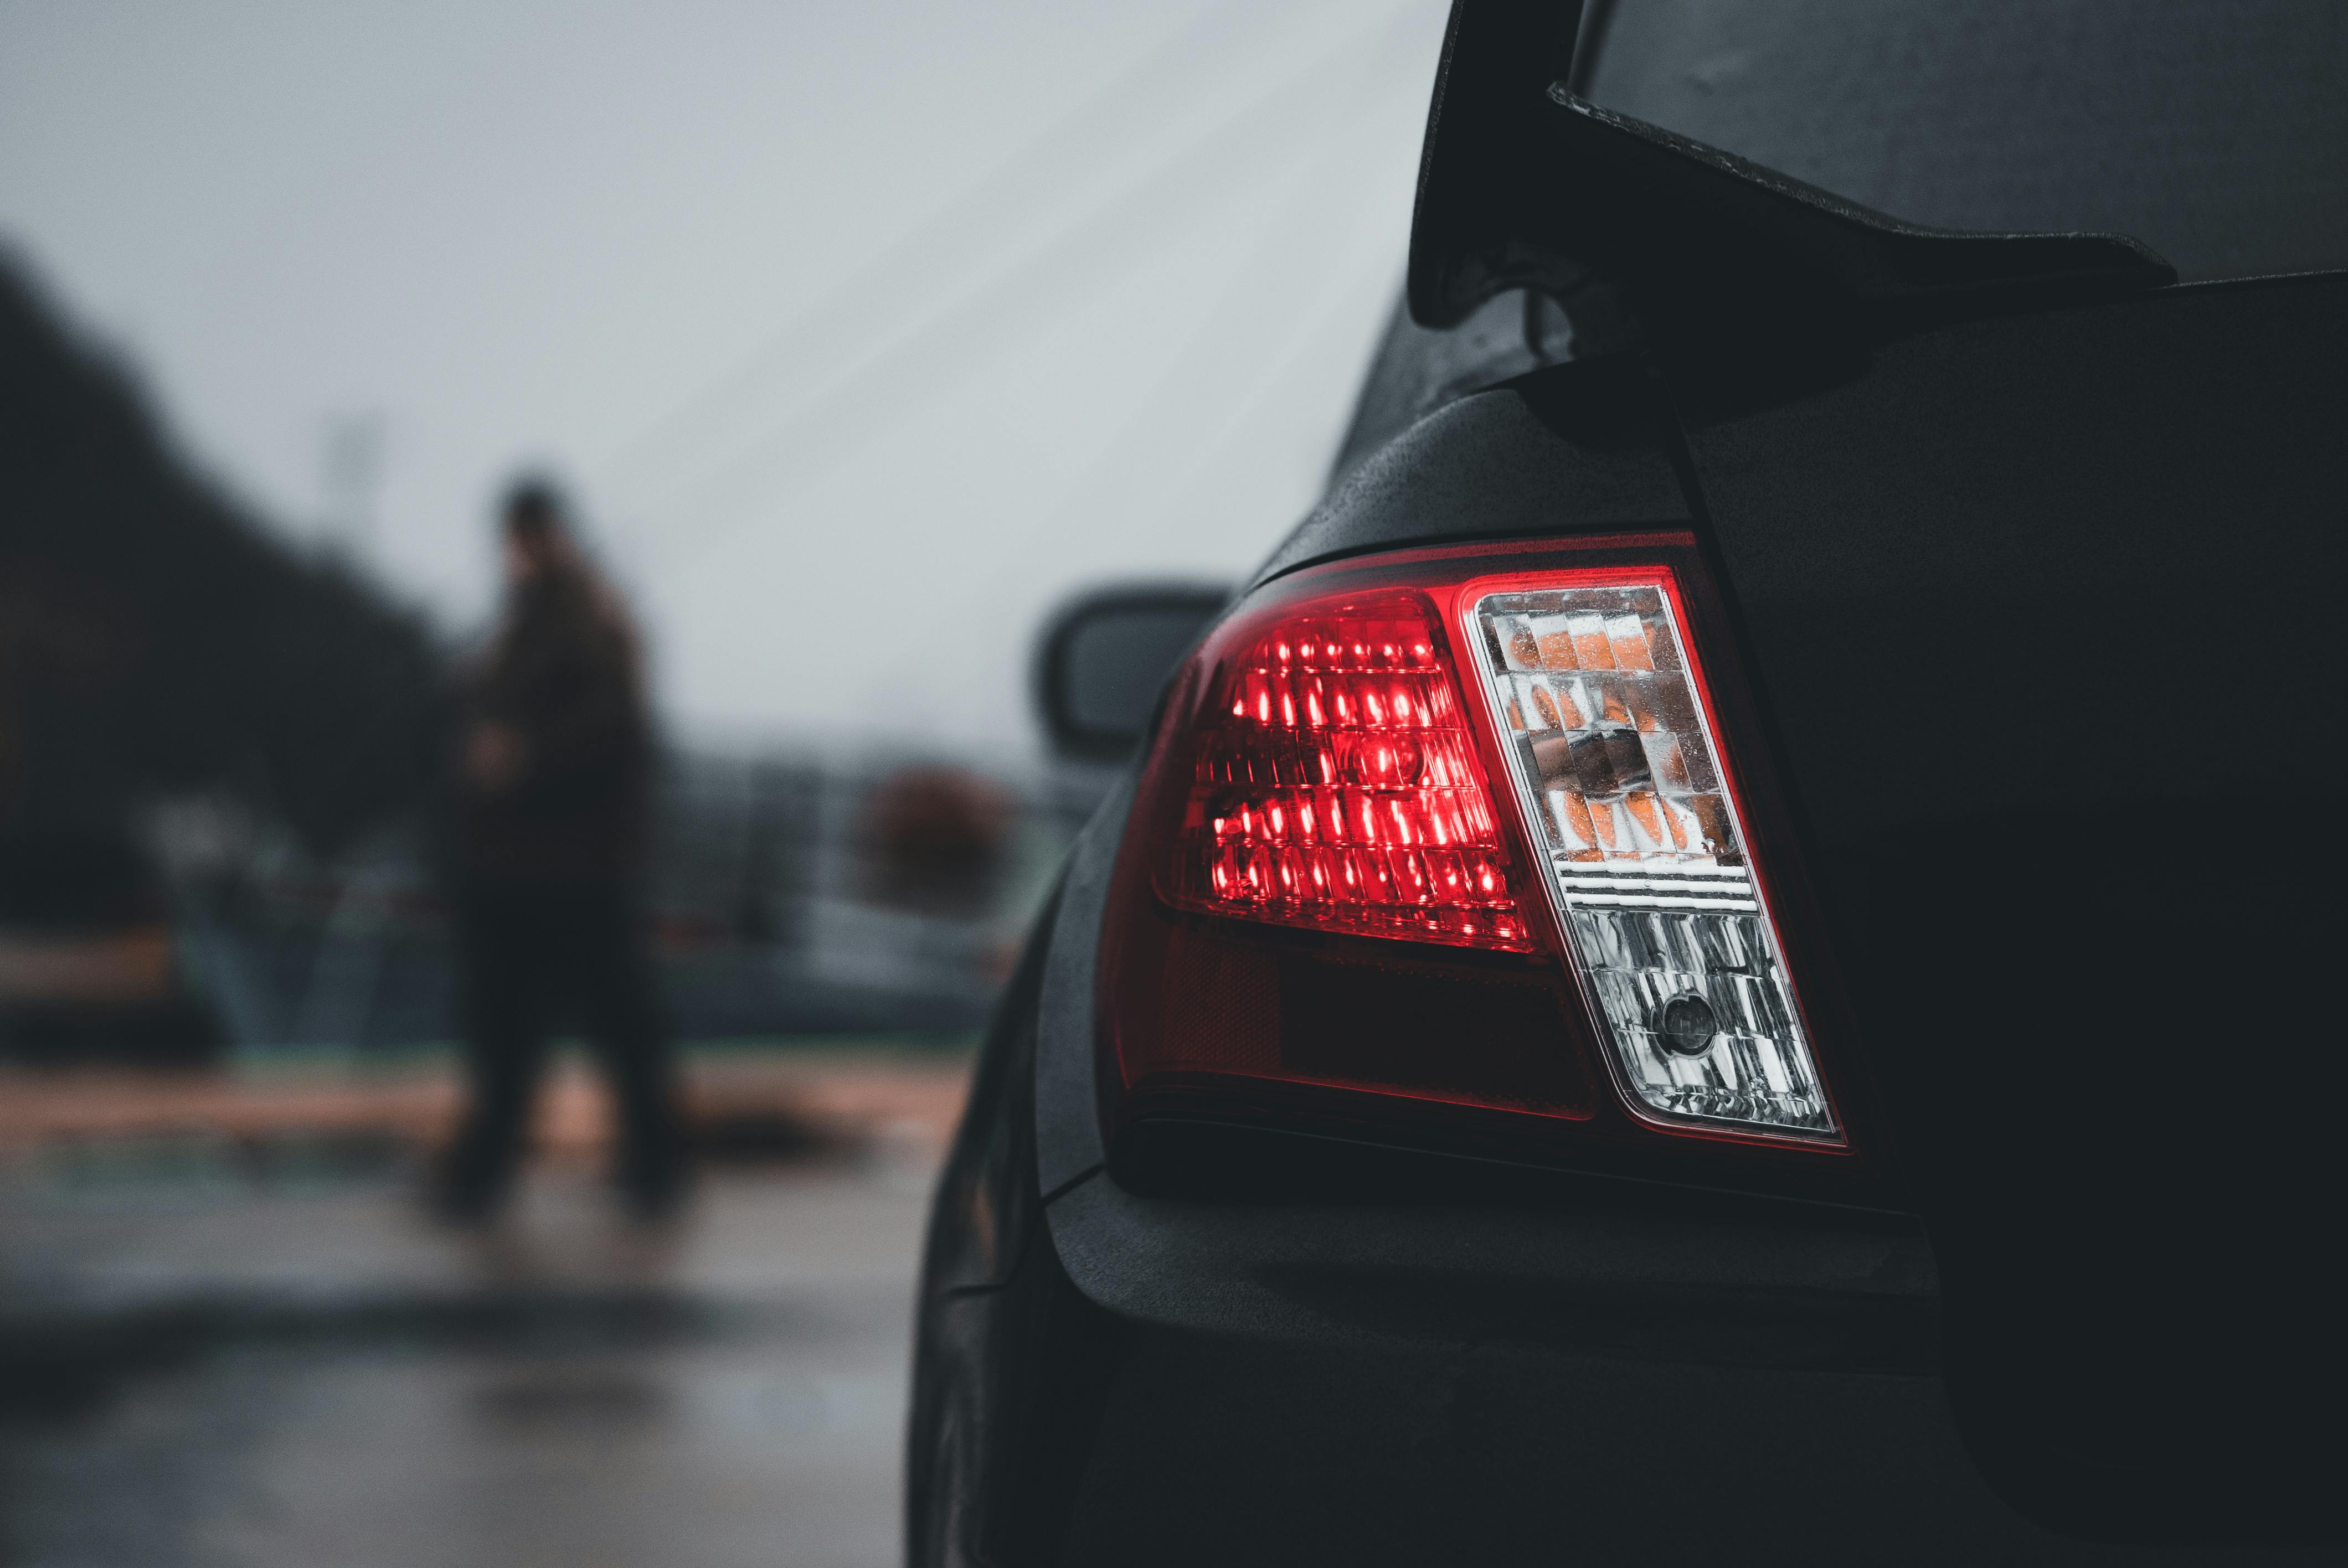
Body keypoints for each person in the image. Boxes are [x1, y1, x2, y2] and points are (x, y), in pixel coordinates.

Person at [435, 478, 685, 1221]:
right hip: (525, 868)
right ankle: (487, 1172)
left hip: (571, 867)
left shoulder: (585, 620)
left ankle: (642, 1170)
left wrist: (520, 755)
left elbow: (614, 732)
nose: (513, 556)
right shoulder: (526, 625)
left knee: (590, 1026)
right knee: (516, 1029)